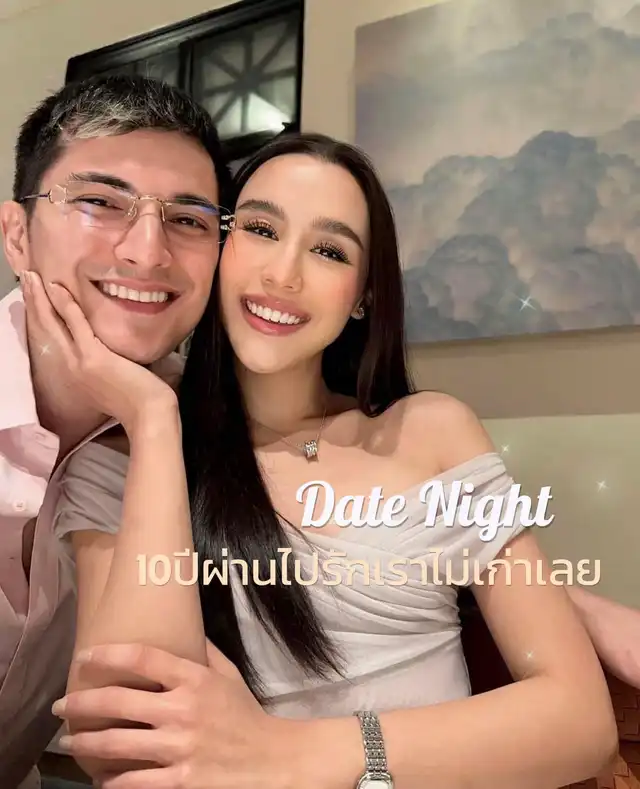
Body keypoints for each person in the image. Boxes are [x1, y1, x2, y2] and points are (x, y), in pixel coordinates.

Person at [44, 132, 631, 789]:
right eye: (260, 229)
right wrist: (155, 422)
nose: (283, 274)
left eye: (329, 250)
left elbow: (581, 722)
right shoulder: (126, 461)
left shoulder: (431, 434)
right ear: (216, 248)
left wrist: (293, 752)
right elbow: (126, 745)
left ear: (363, 295)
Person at [0, 73, 232, 789]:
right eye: (100, 202)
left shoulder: (202, 425)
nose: (147, 252)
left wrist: (152, 419)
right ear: (16, 235)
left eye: (188, 219)